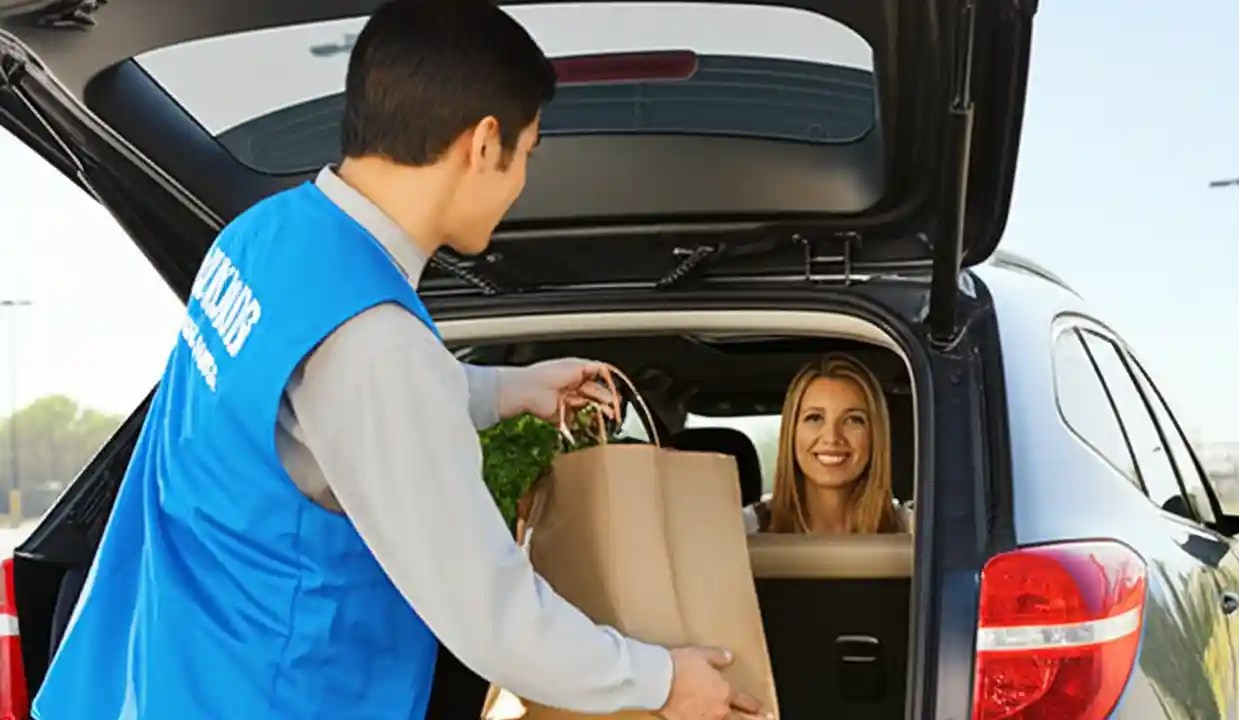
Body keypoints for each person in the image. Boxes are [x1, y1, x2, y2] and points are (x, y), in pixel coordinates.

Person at [31, 1, 765, 718]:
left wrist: (510, 388)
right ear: (483, 144)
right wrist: (663, 681)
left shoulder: (261, 239)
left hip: (165, 675)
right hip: (276, 694)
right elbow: (489, 613)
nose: (520, 183)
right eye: (526, 153)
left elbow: (329, 424)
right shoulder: (376, 343)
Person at [745, 353, 911, 535]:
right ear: (791, 432)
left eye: (853, 420)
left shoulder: (916, 530)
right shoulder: (743, 528)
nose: (832, 438)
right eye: (815, 418)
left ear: (875, 435)